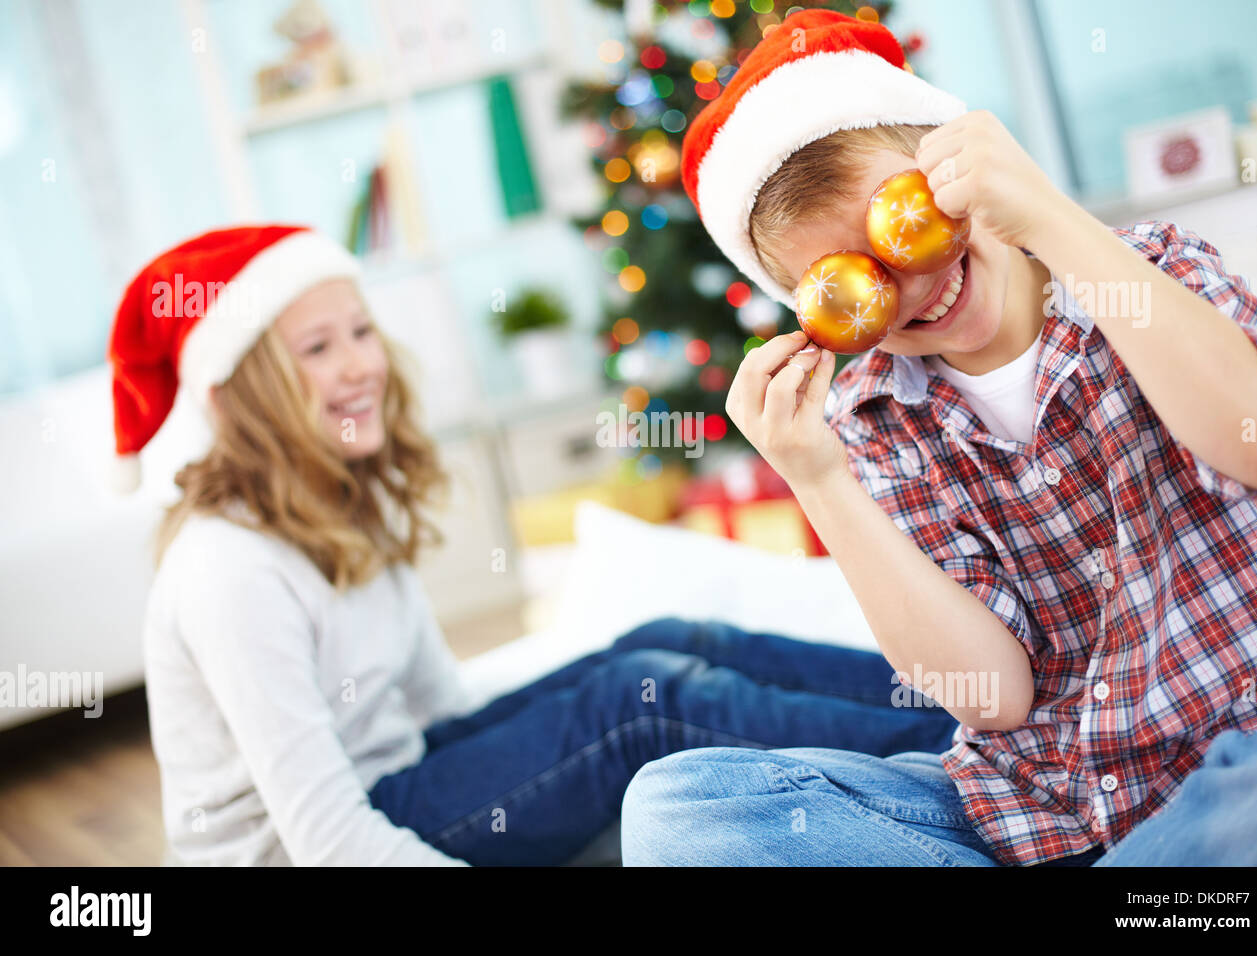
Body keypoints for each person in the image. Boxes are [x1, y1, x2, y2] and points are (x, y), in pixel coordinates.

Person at [619, 9, 1257, 866]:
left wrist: (1047, 215)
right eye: (852, 287)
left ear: (959, 166)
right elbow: (996, 696)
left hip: (1245, 759)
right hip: (1040, 810)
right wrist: (817, 476)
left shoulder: (1151, 269)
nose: (910, 287)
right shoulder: (874, 418)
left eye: (904, 223)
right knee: (680, 808)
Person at [112, 224, 958, 866]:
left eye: (361, 332)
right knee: (639, 699)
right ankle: (957, 775)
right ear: (242, 394)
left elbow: (441, 713)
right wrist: (581, 723)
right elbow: (328, 837)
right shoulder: (229, 568)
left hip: (401, 780)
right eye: (318, 348)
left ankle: (955, 708)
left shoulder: (342, 494)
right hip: (320, 846)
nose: (360, 365)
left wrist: (550, 726)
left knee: (669, 641)